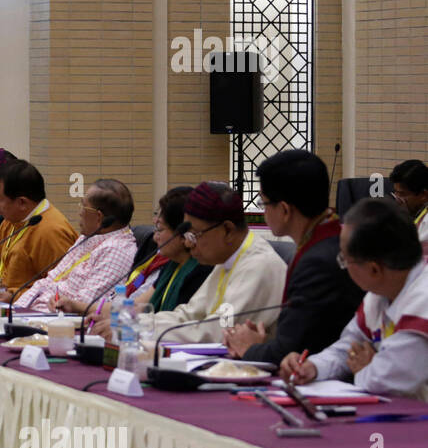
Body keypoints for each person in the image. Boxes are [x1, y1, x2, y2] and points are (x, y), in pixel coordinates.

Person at [280, 197, 428, 401]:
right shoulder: (382, 290)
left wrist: (365, 369)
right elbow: (349, 345)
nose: (344, 266)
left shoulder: (422, 303)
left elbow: (385, 381)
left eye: (345, 260)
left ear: (374, 269)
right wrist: (313, 367)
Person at [224, 149, 363, 362]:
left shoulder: (318, 262)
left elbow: (291, 350)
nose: (264, 211)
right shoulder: (333, 239)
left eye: (264, 203)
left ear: (285, 210)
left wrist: (249, 348)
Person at [137, 181, 287, 343]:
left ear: (227, 230)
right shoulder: (228, 259)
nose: (188, 244)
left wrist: (140, 329)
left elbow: (217, 331)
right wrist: (132, 323)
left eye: (194, 235)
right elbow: (189, 314)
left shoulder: (259, 265)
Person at [18, 179, 138, 312]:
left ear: (99, 217)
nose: (80, 212)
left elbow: (83, 306)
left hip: (58, 322)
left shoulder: (117, 251)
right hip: (34, 312)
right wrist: (17, 309)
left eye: (83, 206)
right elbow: (49, 280)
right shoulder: (87, 238)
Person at [0, 160, 77, 297]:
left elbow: (62, 287)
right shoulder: (12, 219)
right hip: (0, 300)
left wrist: (14, 295)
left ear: (22, 203)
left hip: (30, 312)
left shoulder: (51, 231)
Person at [129, 186, 211, 311]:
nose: (155, 238)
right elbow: (138, 305)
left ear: (185, 234)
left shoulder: (199, 273)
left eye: (160, 229)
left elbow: (179, 323)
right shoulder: (171, 264)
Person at [390, 159, 428, 244]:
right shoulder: (417, 214)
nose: (397, 199)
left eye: (402, 194)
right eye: (395, 193)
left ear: (423, 195)